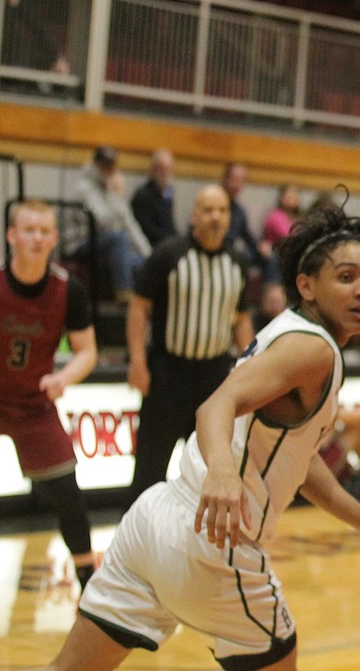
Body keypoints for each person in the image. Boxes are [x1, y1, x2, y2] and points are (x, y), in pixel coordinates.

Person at [44, 200, 360, 669]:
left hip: (153, 522)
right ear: (306, 285)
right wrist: (221, 471)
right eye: (346, 277)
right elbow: (215, 405)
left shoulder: (289, 332)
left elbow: (297, 459)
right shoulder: (313, 349)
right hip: (215, 544)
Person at [123, 185, 253, 508]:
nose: (215, 217)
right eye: (208, 210)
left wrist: (251, 368)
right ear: (194, 215)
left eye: (222, 210)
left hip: (215, 379)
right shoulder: (169, 255)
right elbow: (138, 307)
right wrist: (137, 362)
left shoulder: (238, 262)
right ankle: (136, 535)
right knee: (149, 471)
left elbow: (240, 320)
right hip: (168, 375)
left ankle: (202, 535)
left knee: (211, 469)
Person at [1, 200, 99, 592]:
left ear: (55, 238)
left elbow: (87, 352)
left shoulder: (68, 290)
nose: (37, 238)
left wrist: (64, 378)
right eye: (29, 230)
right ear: (11, 236)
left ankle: (89, 583)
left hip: (35, 406)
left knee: (68, 494)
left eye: (45, 231)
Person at [69, 146, 151, 302]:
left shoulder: (110, 188)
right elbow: (103, 223)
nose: (108, 170)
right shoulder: (84, 189)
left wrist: (149, 256)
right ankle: (123, 292)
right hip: (80, 244)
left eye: (111, 165)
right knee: (119, 238)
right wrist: (116, 196)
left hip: (105, 244)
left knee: (139, 261)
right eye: (104, 165)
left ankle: (143, 298)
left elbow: (131, 225)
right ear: (95, 164)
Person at [221, 161, 268, 273]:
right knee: (242, 257)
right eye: (234, 179)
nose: (237, 184)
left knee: (268, 256)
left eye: (241, 180)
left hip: (232, 252)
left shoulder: (239, 211)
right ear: (225, 178)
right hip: (217, 251)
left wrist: (261, 245)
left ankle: (272, 284)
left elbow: (248, 236)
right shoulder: (213, 204)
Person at [130, 148, 177, 248]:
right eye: (161, 168)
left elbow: (170, 225)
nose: (165, 173)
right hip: (151, 246)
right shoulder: (142, 195)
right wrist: (171, 240)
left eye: (168, 168)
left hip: (167, 243)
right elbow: (146, 230)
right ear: (153, 169)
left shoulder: (168, 193)